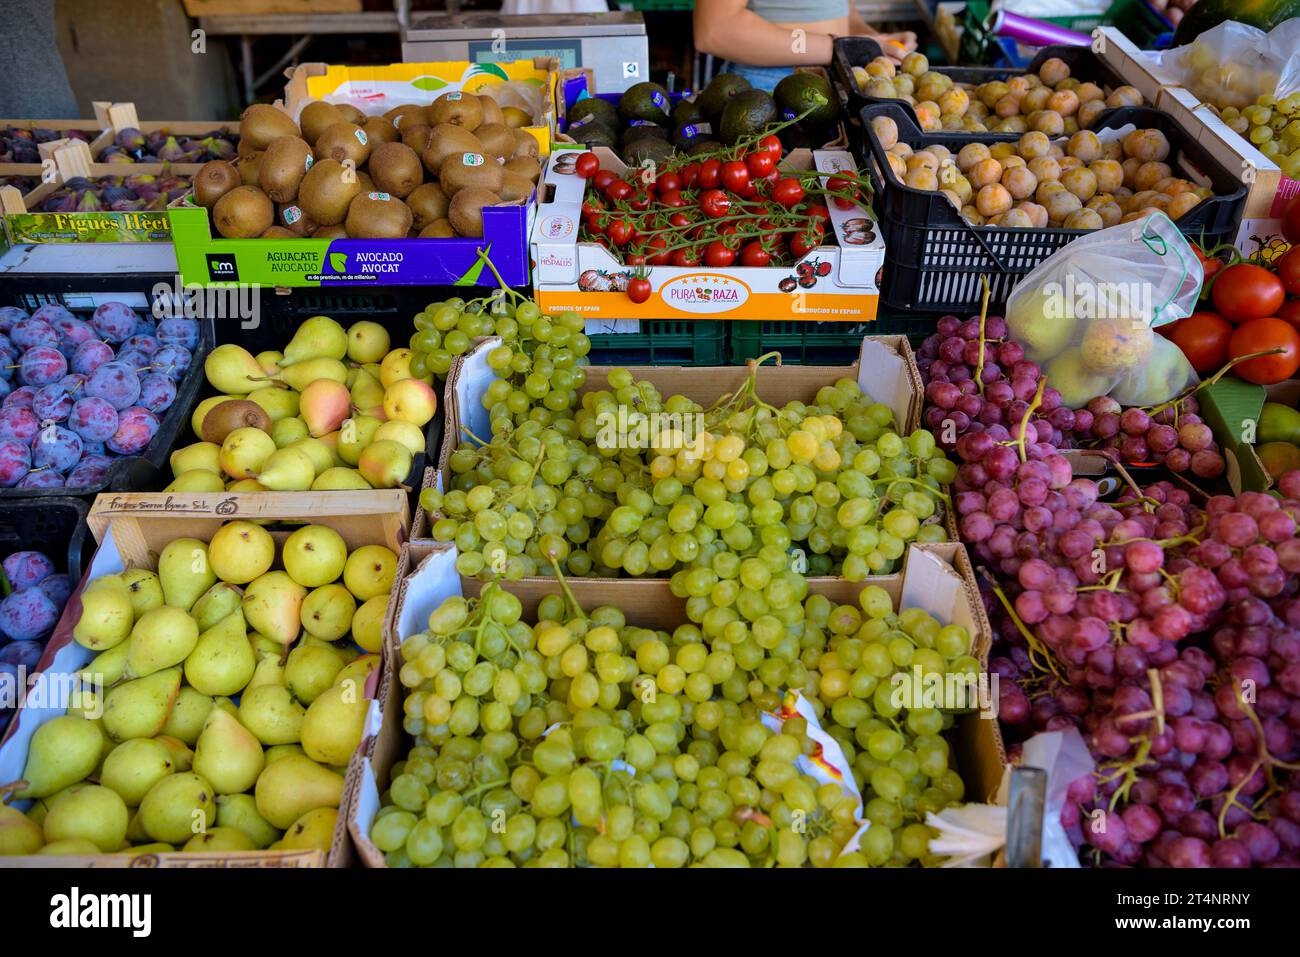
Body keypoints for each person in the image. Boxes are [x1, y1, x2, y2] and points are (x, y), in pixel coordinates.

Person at [694, 0, 917, 92]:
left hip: (838, 79)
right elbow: (716, 30)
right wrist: (837, 48)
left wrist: (868, 39)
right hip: (772, 87)